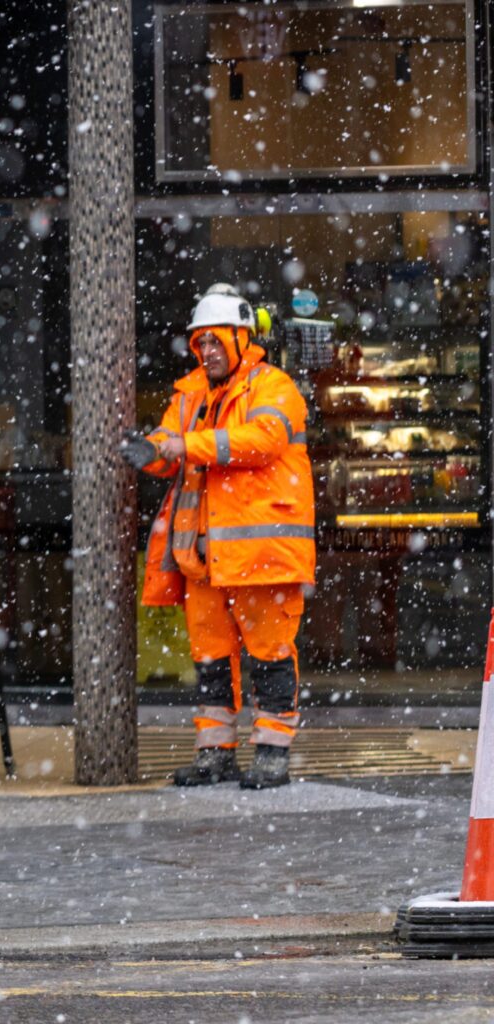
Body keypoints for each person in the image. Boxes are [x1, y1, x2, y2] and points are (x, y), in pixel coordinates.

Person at [127, 284, 315, 790]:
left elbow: (262, 440)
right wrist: (149, 450)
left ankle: (273, 754)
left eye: (214, 342)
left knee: (270, 654)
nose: (206, 352)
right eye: (199, 344)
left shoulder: (274, 387)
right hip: (204, 558)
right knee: (211, 660)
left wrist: (183, 445)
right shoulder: (190, 395)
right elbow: (171, 449)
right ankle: (216, 752)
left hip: (260, 555)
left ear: (240, 338)